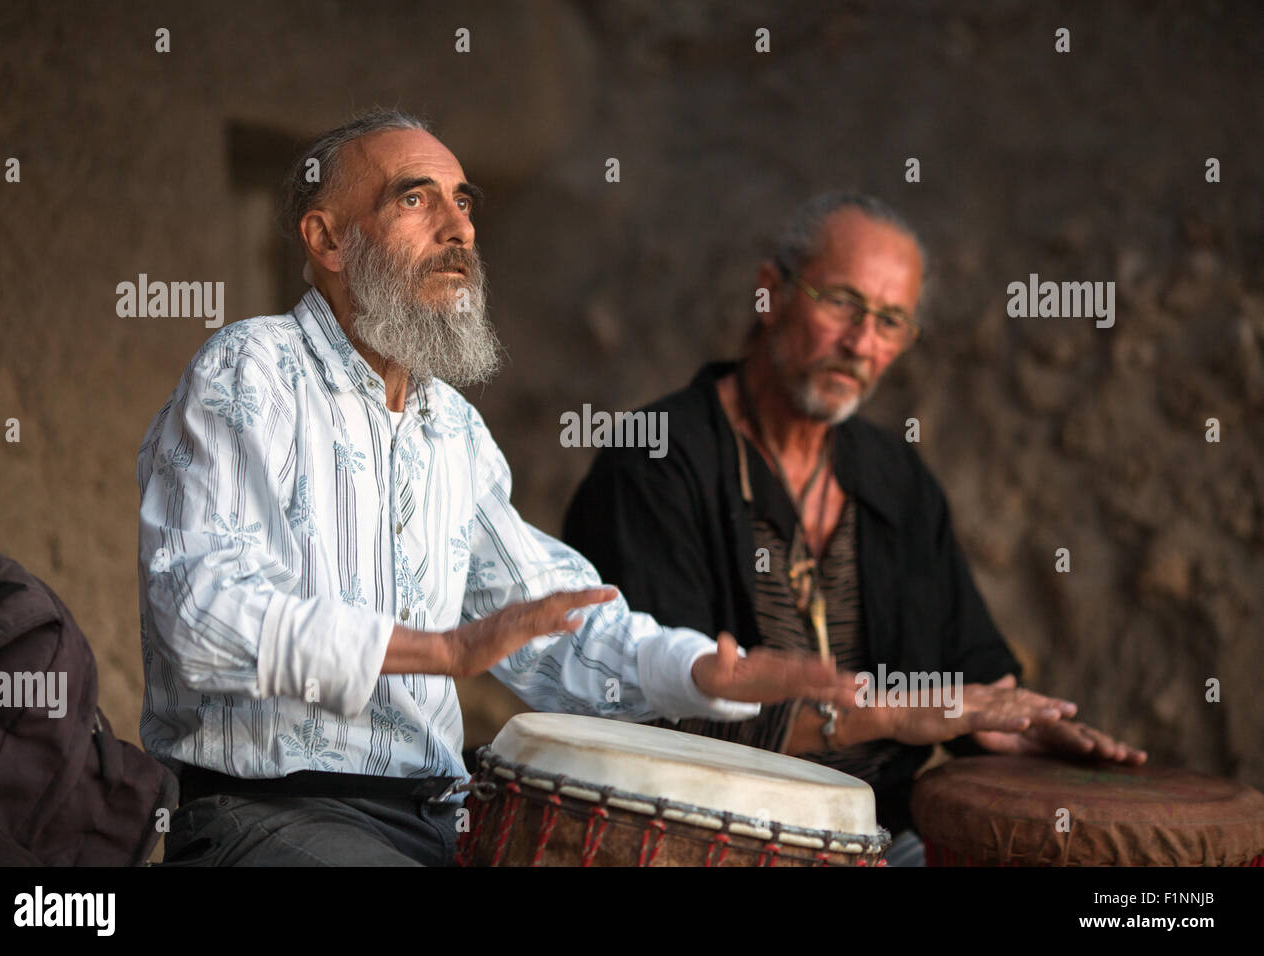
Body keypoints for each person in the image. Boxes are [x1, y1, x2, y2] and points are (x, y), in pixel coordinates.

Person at [135, 110, 854, 867]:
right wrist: (441, 649)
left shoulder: (453, 427)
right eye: (415, 200)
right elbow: (199, 615)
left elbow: (541, 616)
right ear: (328, 241)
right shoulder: (251, 368)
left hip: (438, 816)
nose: (460, 229)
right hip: (267, 815)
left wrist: (698, 670)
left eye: (464, 201)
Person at [562, 192, 1145, 866]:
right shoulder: (655, 462)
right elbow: (656, 712)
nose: (861, 343)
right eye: (841, 302)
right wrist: (902, 714)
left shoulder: (896, 479)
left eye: (891, 321)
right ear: (770, 293)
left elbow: (973, 672)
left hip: (882, 837)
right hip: (708, 840)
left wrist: (1021, 726)